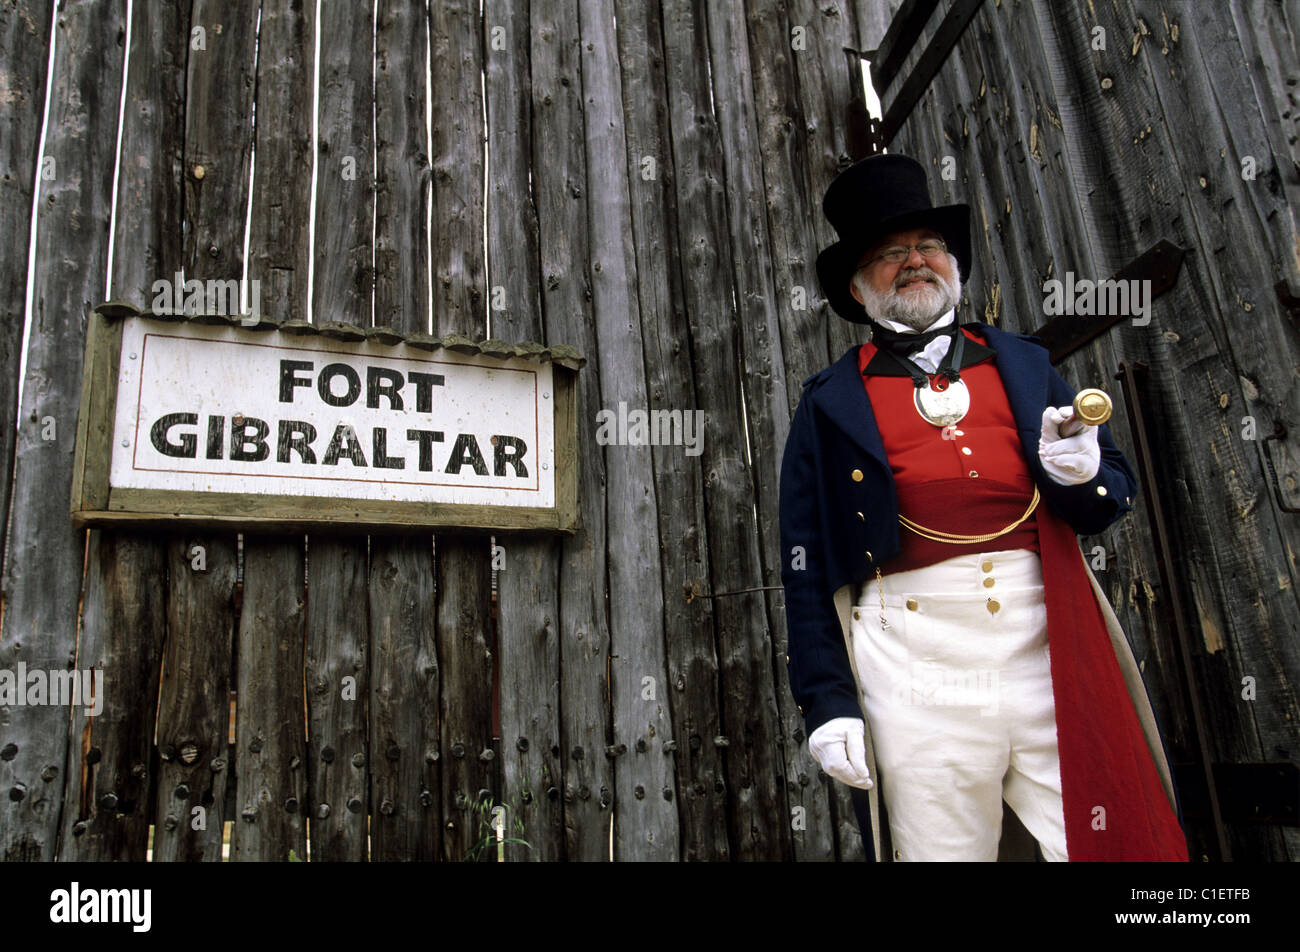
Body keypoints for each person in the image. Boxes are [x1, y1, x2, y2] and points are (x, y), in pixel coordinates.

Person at [778, 153, 1188, 861]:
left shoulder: (1025, 364)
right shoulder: (826, 402)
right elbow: (805, 563)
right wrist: (826, 701)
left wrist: (1080, 470)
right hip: (909, 660)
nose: (916, 262)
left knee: (1112, 840)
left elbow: (1109, 494)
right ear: (855, 285)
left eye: (928, 246)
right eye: (889, 254)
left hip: (1046, 635)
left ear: (954, 264)